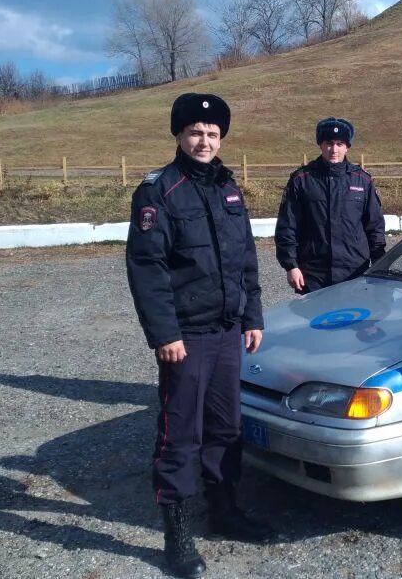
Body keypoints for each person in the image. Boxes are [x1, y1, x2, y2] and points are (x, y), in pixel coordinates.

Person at [125, 92, 271, 578]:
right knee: (179, 436)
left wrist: (253, 316)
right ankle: (179, 534)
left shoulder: (230, 189)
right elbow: (147, 268)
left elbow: (246, 259)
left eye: (212, 134)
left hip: (228, 332)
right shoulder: (158, 191)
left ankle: (226, 511)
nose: (204, 141)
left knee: (225, 429)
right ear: (178, 135)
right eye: (195, 133)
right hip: (185, 337)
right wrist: (164, 333)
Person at [275, 117, 386, 294]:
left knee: (356, 321)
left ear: (347, 146)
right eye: (329, 143)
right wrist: (291, 266)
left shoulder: (363, 180)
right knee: (314, 321)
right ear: (320, 144)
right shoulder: (302, 180)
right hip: (314, 273)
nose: (334, 149)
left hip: (354, 270)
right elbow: (287, 227)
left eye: (340, 144)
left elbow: (375, 227)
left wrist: (380, 264)